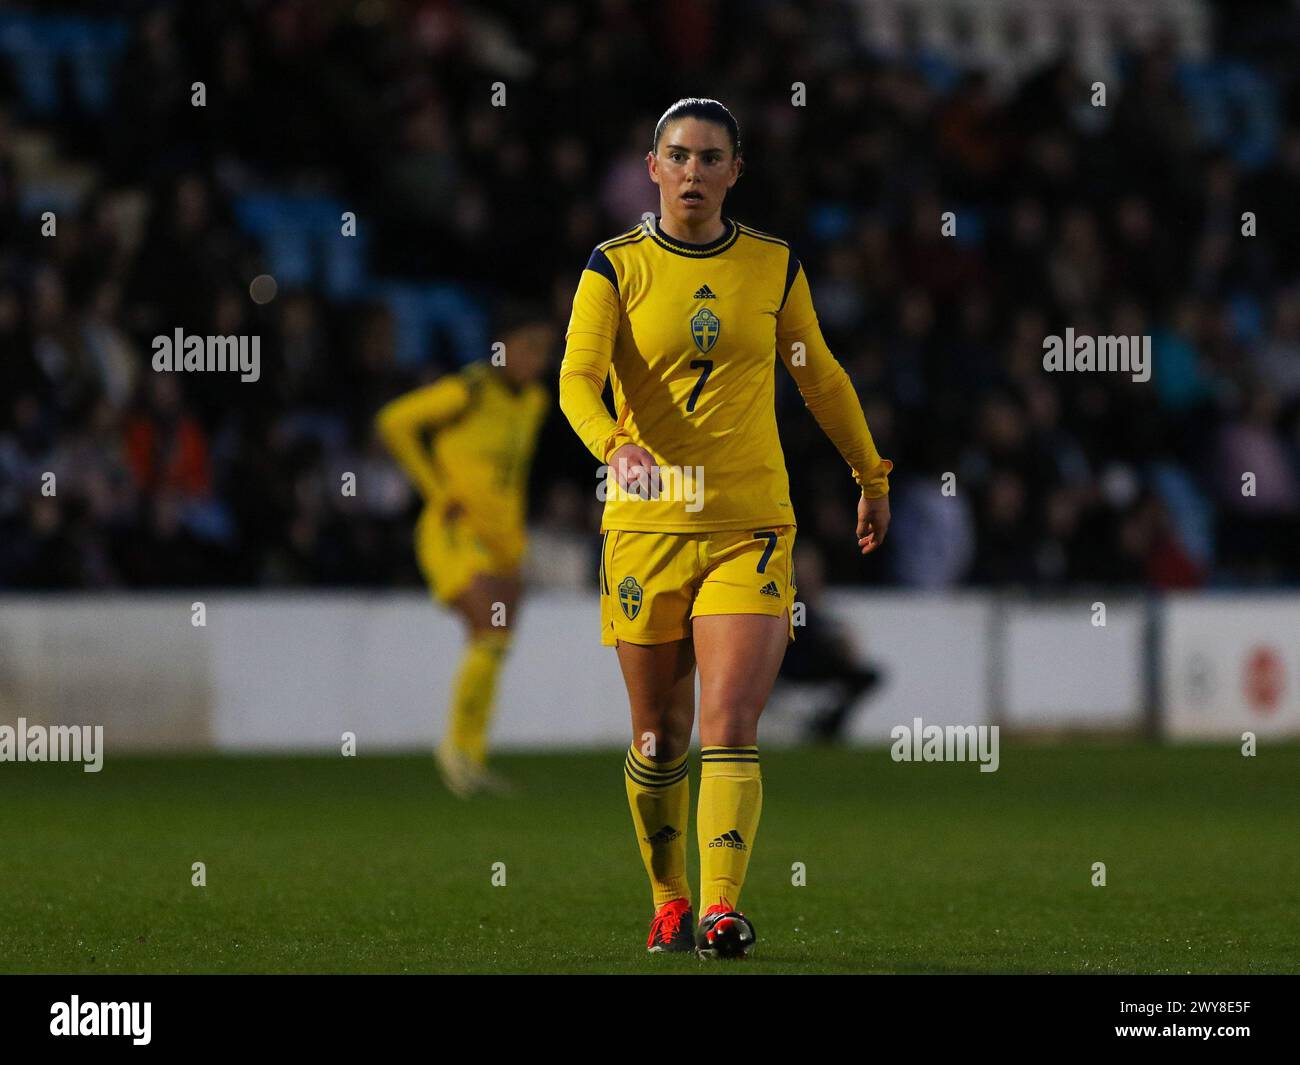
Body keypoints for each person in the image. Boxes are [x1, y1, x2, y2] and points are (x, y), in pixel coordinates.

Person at [558, 98, 892, 957]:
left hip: (751, 524)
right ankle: (668, 896)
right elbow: (576, 379)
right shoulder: (614, 265)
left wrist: (871, 473)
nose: (696, 172)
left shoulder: (774, 265)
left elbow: (820, 379)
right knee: (657, 737)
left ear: (737, 171)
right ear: (653, 167)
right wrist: (614, 444)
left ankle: (721, 910)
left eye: (713, 158)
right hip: (646, 528)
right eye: (680, 156)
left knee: (730, 719)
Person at [376, 302, 553, 797]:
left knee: (495, 646)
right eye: (530, 347)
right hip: (456, 532)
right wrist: (437, 490)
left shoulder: (533, 402)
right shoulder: (468, 390)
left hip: (502, 542)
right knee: (488, 631)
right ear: (504, 346)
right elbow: (393, 422)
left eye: (546, 350)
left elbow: (510, 480)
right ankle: (454, 751)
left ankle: (470, 756)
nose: (538, 359)